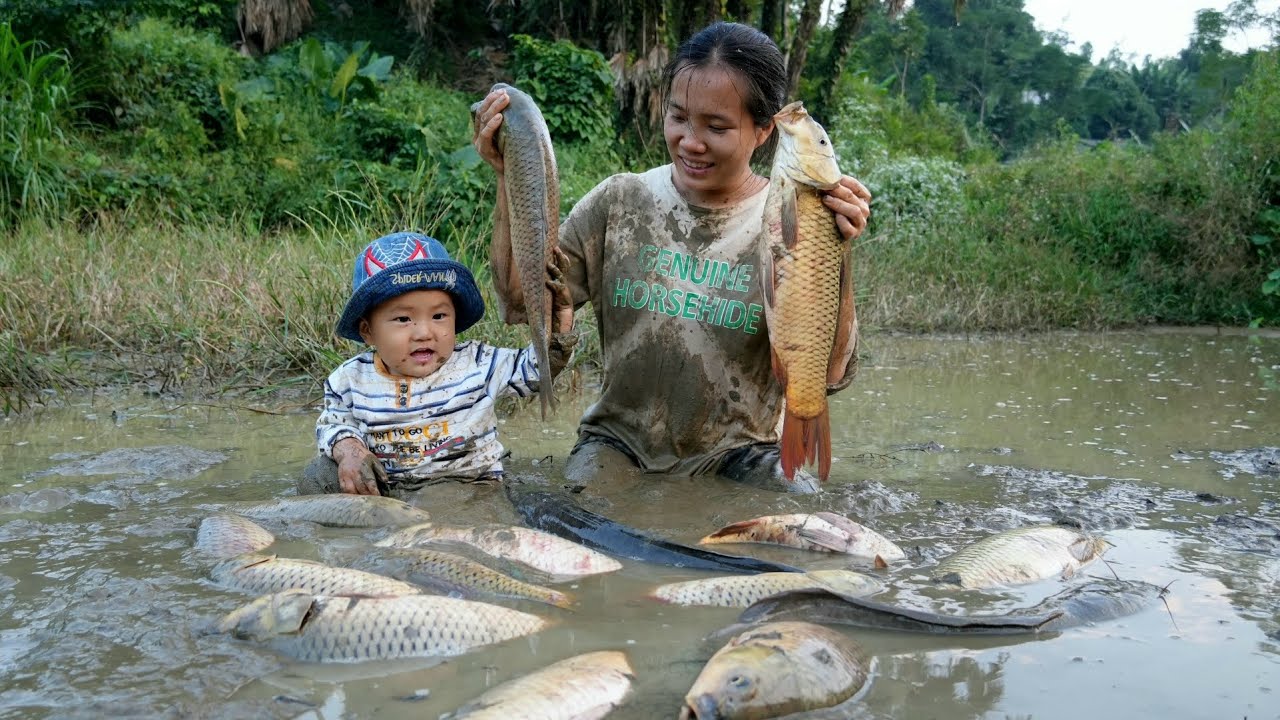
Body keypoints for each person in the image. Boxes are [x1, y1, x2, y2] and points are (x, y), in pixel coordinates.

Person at [471, 22, 872, 493]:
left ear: (764, 131)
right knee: (580, 513)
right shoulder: (622, 201)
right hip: (617, 446)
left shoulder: (790, 226)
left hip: (742, 452)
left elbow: (829, 376)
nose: (690, 141)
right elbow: (522, 302)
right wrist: (509, 179)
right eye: (678, 117)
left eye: (717, 127)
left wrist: (836, 247)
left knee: (802, 519)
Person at [298, 231, 576, 497]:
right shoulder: (349, 381)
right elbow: (333, 425)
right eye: (404, 319)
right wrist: (350, 451)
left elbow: (537, 372)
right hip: (390, 491)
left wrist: (560, 323)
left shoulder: (477, 364)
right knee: (318, 476)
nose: (424, 332)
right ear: (367, 331)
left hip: (471, 488)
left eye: (439, 316)